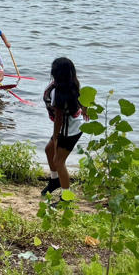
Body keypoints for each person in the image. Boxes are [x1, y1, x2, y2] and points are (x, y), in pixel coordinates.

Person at [41, 57, 86, 200]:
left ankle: (67, 197)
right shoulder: (69, 83)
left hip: (68, 130)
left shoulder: (58, 92)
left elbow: (59, 118)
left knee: (59, 162)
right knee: (49, 150)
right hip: (71, 125)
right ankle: (55, 180)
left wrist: (56, 137)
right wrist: (85, 108)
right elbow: (81, 97)